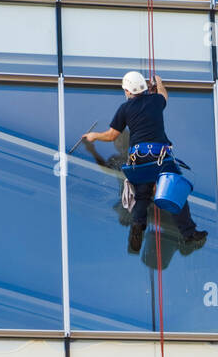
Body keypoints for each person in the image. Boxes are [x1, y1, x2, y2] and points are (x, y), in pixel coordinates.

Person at [84, 71, 208, 255]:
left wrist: (93, 136)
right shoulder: (156, 101)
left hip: (139, 158)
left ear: (127, 90)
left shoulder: (125, 108)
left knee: (142, 195)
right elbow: (164, 95)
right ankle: (189, 233)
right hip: (159, 156)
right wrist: (159, 82)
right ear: (144, 87)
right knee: (175, 190)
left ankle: (138, 226)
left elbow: (111, 135)